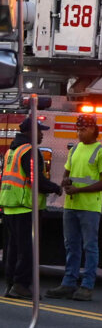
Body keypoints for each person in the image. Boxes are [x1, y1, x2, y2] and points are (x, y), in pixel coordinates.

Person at [49, 113, 102, 302]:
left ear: (94, 129)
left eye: (83, 129)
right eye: (77, 129)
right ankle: (68, 283)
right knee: (71, 246)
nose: (79, 133)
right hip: (71, 205)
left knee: (89, 246)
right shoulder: (74, 149)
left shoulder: (101, 152)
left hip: (89, 207)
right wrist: (65, 182)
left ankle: (87, 286)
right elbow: (66, 174)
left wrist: (79, 190)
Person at [2, 116, 57, 299]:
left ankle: (10, 284)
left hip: (10, 206)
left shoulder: (13, 150)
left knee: (13, 249)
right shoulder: (29, 151)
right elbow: (36, 180)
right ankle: (21, 285)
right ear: (31, 132)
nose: (42, 135)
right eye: (40, 131)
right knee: (27, 249)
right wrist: (55, 188)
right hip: (25, 206)